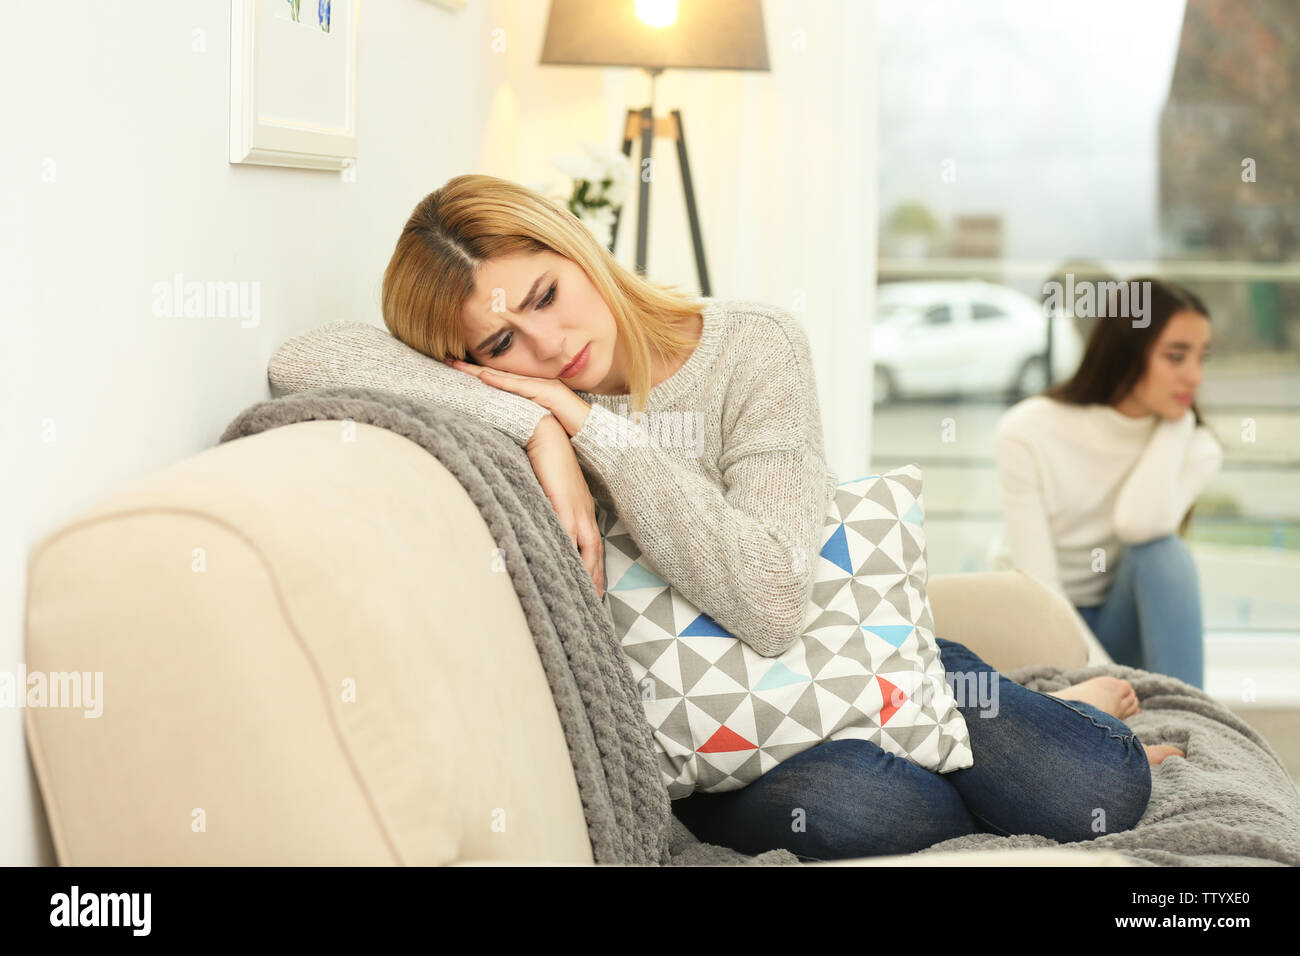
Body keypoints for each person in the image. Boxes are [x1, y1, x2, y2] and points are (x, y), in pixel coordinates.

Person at [379, 174, 1179, 862]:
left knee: (1097, 789)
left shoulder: (751, 348)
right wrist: (537, 427)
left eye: (546, 295)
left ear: (577, 247)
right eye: (500, 341)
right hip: (708, 738)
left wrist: (596, 434)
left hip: (854, 647)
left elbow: (770, 601)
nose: (547, 347)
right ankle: (1008, 733)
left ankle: (1056, 716)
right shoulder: (513, 403)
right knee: (871, 808)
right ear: (467, 362)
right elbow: (309, 357)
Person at [994, 278, 1223, 690]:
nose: (1194, 376)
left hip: (1118, 622)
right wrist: (1106, 685)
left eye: (1201, 357)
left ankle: (1194, 715)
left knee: (1162, 553)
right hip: (1035, 616)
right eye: (1176, 357)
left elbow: (1139, 524)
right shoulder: (1027, 431)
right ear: (1125, 354)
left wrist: (1178, 426)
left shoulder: (1196, 446)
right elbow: (1039, 587)